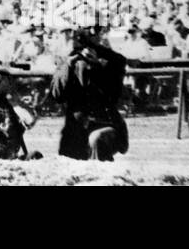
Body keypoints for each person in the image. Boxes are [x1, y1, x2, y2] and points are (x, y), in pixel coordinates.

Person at [49, 28, 129, 161]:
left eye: (90, 32)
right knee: (68, 162)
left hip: (105, 125)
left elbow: (113, 95)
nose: (82, 37)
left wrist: (97, 66)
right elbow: (57, 95)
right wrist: (67, 66)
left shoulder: (114, 60)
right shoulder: (67, 59)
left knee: (96, 139)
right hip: (76, 128)